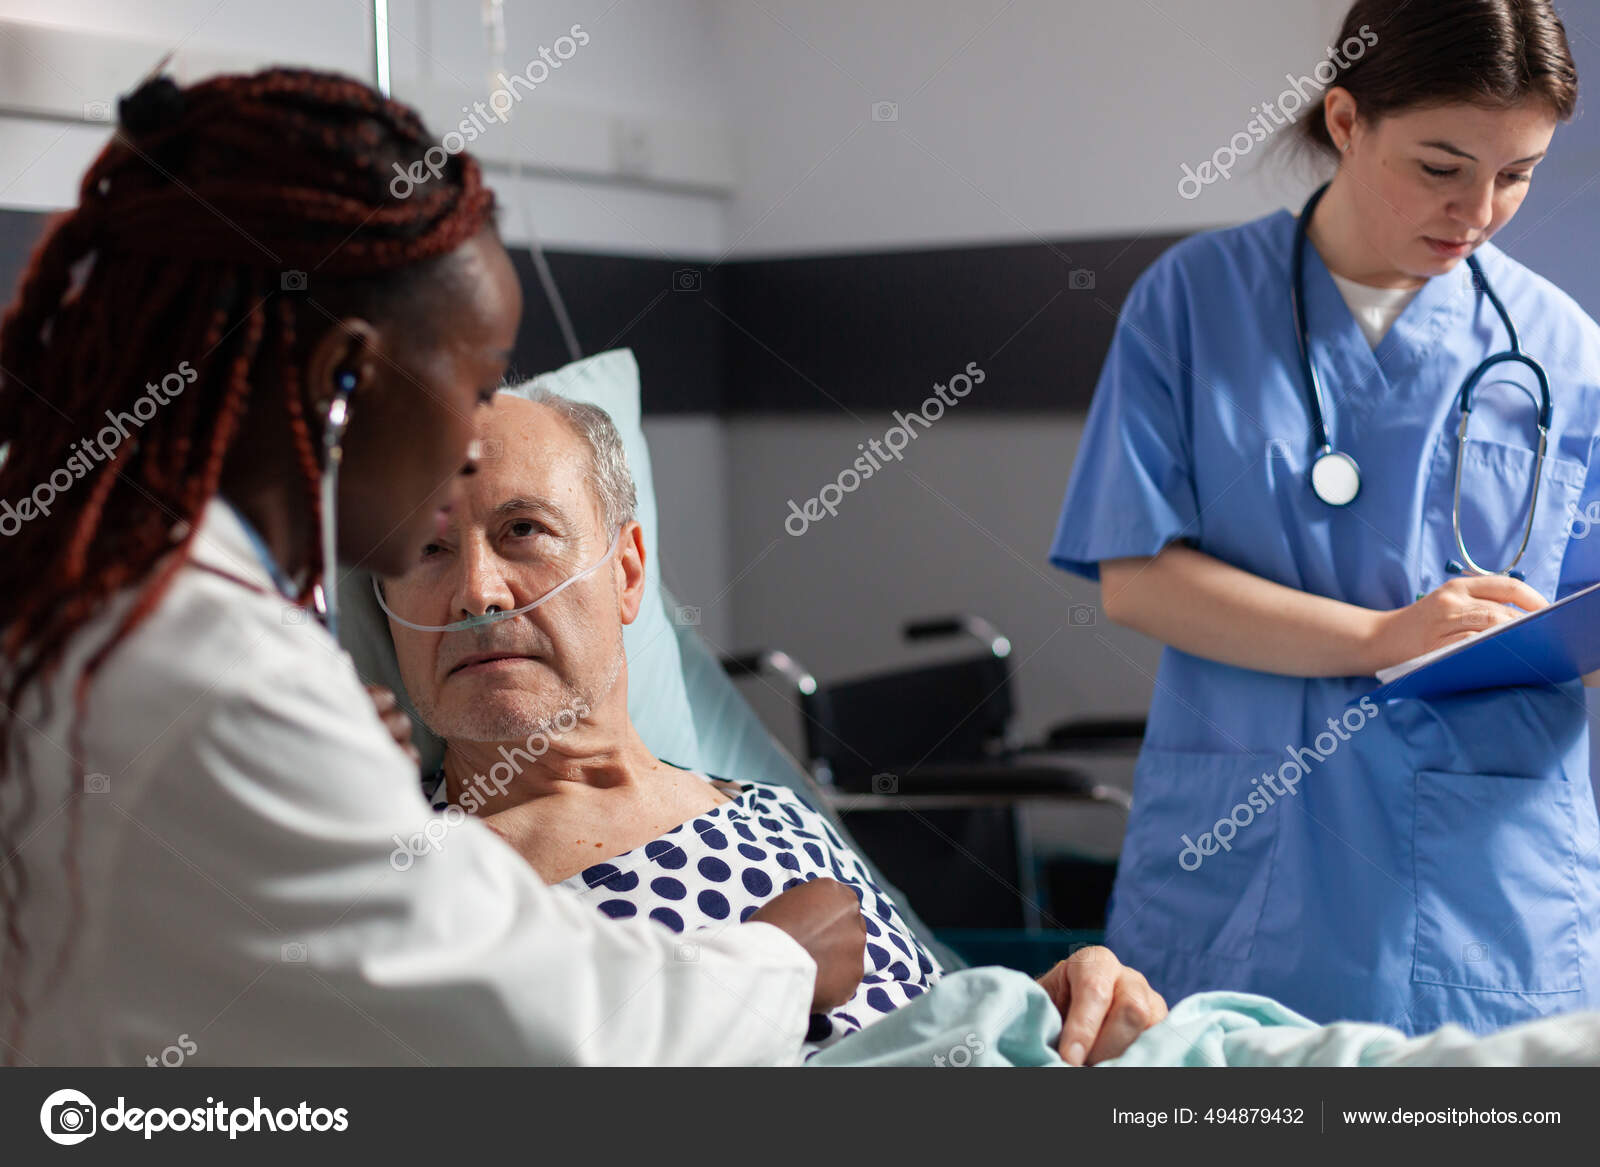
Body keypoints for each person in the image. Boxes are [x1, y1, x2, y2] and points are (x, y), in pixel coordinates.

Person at [0, 68, 869, 1066]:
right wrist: (776, 959)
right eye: (477, 384)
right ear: (344, 383)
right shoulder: (218, 675)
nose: (474, 443)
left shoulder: (111, 610)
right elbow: (544, 1040)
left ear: (629, 573)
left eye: (527, 532)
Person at [1050, 0, 1600, 1035]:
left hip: (1489, 875)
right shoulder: (1193, 302)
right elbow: (1135, 574)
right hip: (1252, 855)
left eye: (1516, 174)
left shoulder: (1563, 347)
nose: (1477, 209)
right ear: (1345, 121)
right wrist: (1382, 639)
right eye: (1441, 167)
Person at [376, 387, 1170, 1063]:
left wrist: (1054, 1009)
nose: (479, 590)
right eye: (428, 548)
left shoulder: (772, 814)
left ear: (625, 574)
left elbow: (911, 1031)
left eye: (523, 531)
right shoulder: (406, 875)